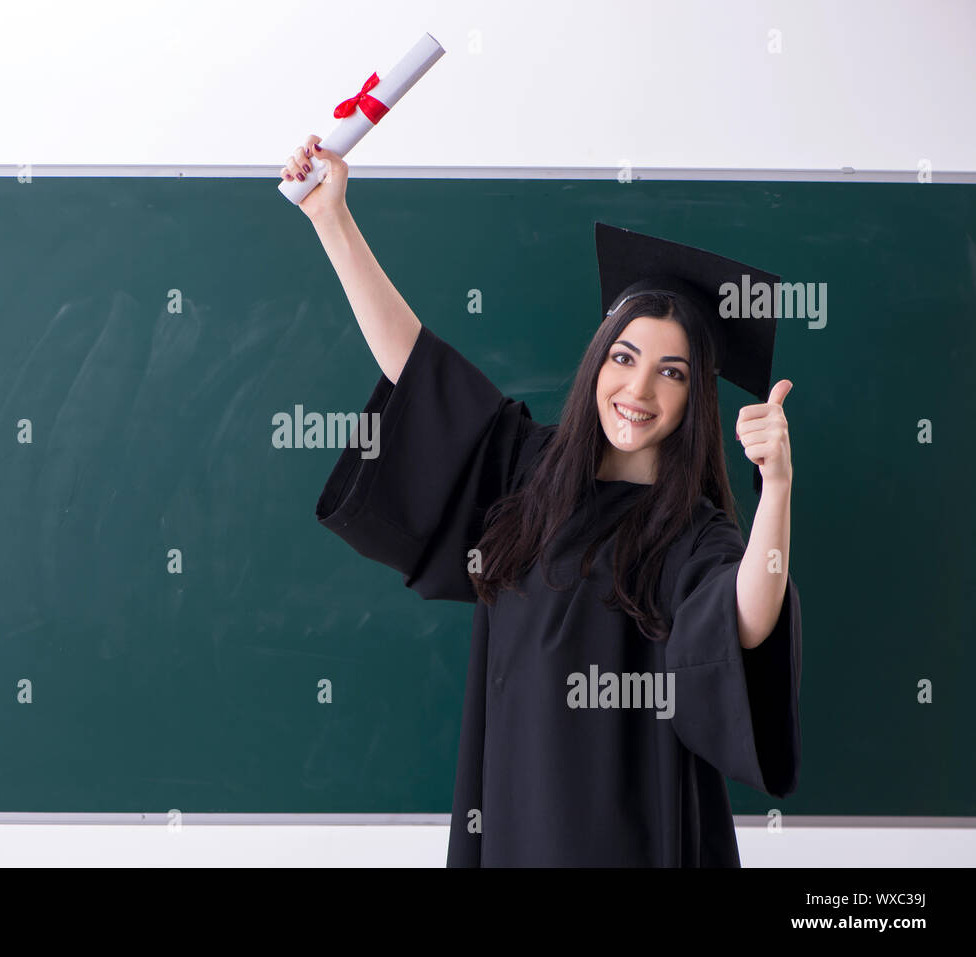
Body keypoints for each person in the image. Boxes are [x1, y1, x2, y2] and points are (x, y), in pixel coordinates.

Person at [281, 135, 801, 867]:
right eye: (624, 357)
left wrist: (775, 486)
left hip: (632, 841)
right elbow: (418, 369)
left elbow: (746, 618)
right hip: (513, 826)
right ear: (598, 361)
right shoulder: (531, 472)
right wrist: (332, 220)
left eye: (671, 372)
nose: (639, 389)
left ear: (695, 397)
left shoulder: (692, 534)